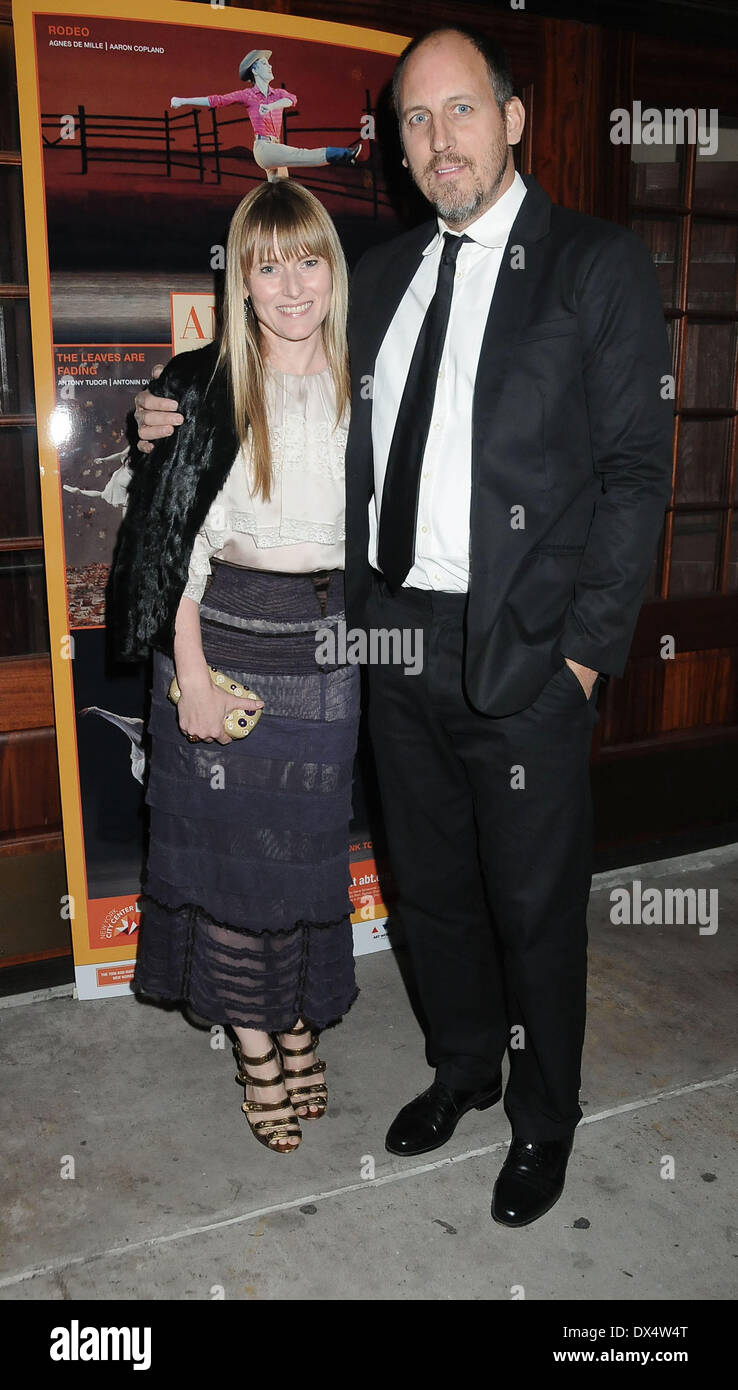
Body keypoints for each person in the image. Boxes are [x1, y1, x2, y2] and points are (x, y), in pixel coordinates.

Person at [134, 25, 674, 1224]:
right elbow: (261, 359)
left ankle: (544, 1118)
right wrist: (168, 407)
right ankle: (463, 1068)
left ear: (514, 117)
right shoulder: (377, 278)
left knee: (533, 903)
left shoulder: (595, 266)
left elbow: (639, 472)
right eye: (415, 123)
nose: (439, 141)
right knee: (429, 889)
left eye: (460, 112)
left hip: (529, 655)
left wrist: (584, 653)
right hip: (384, 645)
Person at [111, 178, 359, 1155]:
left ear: (332, 270)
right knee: (224, 864)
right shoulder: (195, 387)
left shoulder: (368, 380)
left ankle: (295, 1018)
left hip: (329, 653)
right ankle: (258, 1043)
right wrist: (194, 673)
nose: (291, 283)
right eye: (268, 264)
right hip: (221, 644)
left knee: (295, 865)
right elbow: (171, 545)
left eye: (308, 259)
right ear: (241, 280)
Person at [171, 48, 362, 183]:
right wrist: (183, 100)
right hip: (264, 149)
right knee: (301, 155)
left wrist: (271, 107)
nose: (270, 66)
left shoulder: (278, 93)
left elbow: (291, 100)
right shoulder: (247, 95)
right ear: (254, 70)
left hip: (275, 146)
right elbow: (216, 100)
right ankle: (343, 154)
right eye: (264, 64)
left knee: (280, 191)